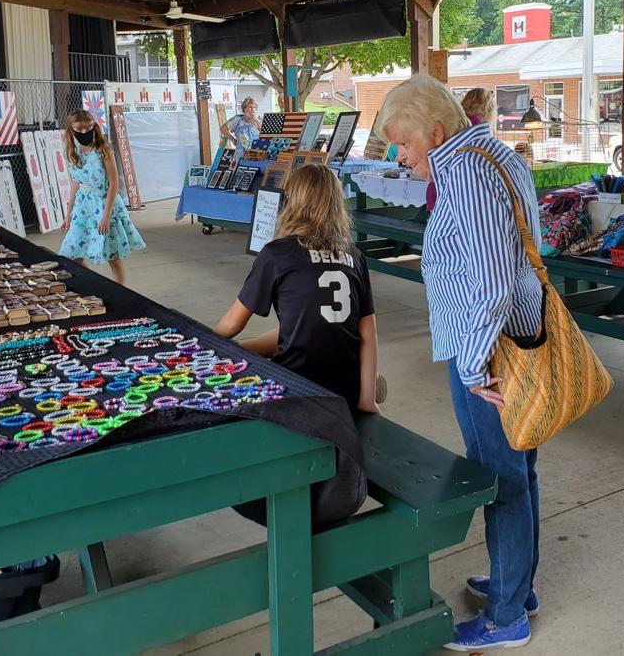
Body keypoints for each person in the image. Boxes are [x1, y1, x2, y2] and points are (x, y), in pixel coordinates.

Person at [376, 74, 542, 651]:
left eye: (404, 144)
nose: (400, 157)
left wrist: (472, 364)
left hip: (489, 349)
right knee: (520, 467)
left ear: (436, 132)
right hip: (518, 336)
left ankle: (505, 618)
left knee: (499, 478)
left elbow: (493, 281)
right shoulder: (491, 151)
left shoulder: (465, 173)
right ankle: (515, 585)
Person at [213, 163, 381, 412]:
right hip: (346, 385)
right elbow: (369, 334)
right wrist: (367, 401)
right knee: (301, 326)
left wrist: (207, 344)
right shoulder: (354, 256)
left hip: (296, 384)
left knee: (230, 352)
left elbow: (233, 323)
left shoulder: (277, 254)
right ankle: (373, 385)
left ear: (293, 202)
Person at [59, 109, 146, 285]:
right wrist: (68, 214)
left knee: (112, 254)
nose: (84, 132)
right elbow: (75, 183)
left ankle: (120, 290)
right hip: (83, 206)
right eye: (79, 129)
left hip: (104, 202)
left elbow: (114, 183)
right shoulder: (72, 149)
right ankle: (90, 284)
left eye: (88, 127)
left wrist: (106, 217)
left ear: (94, 126)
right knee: (72, 252)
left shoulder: (103, 149)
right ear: (71, 129)